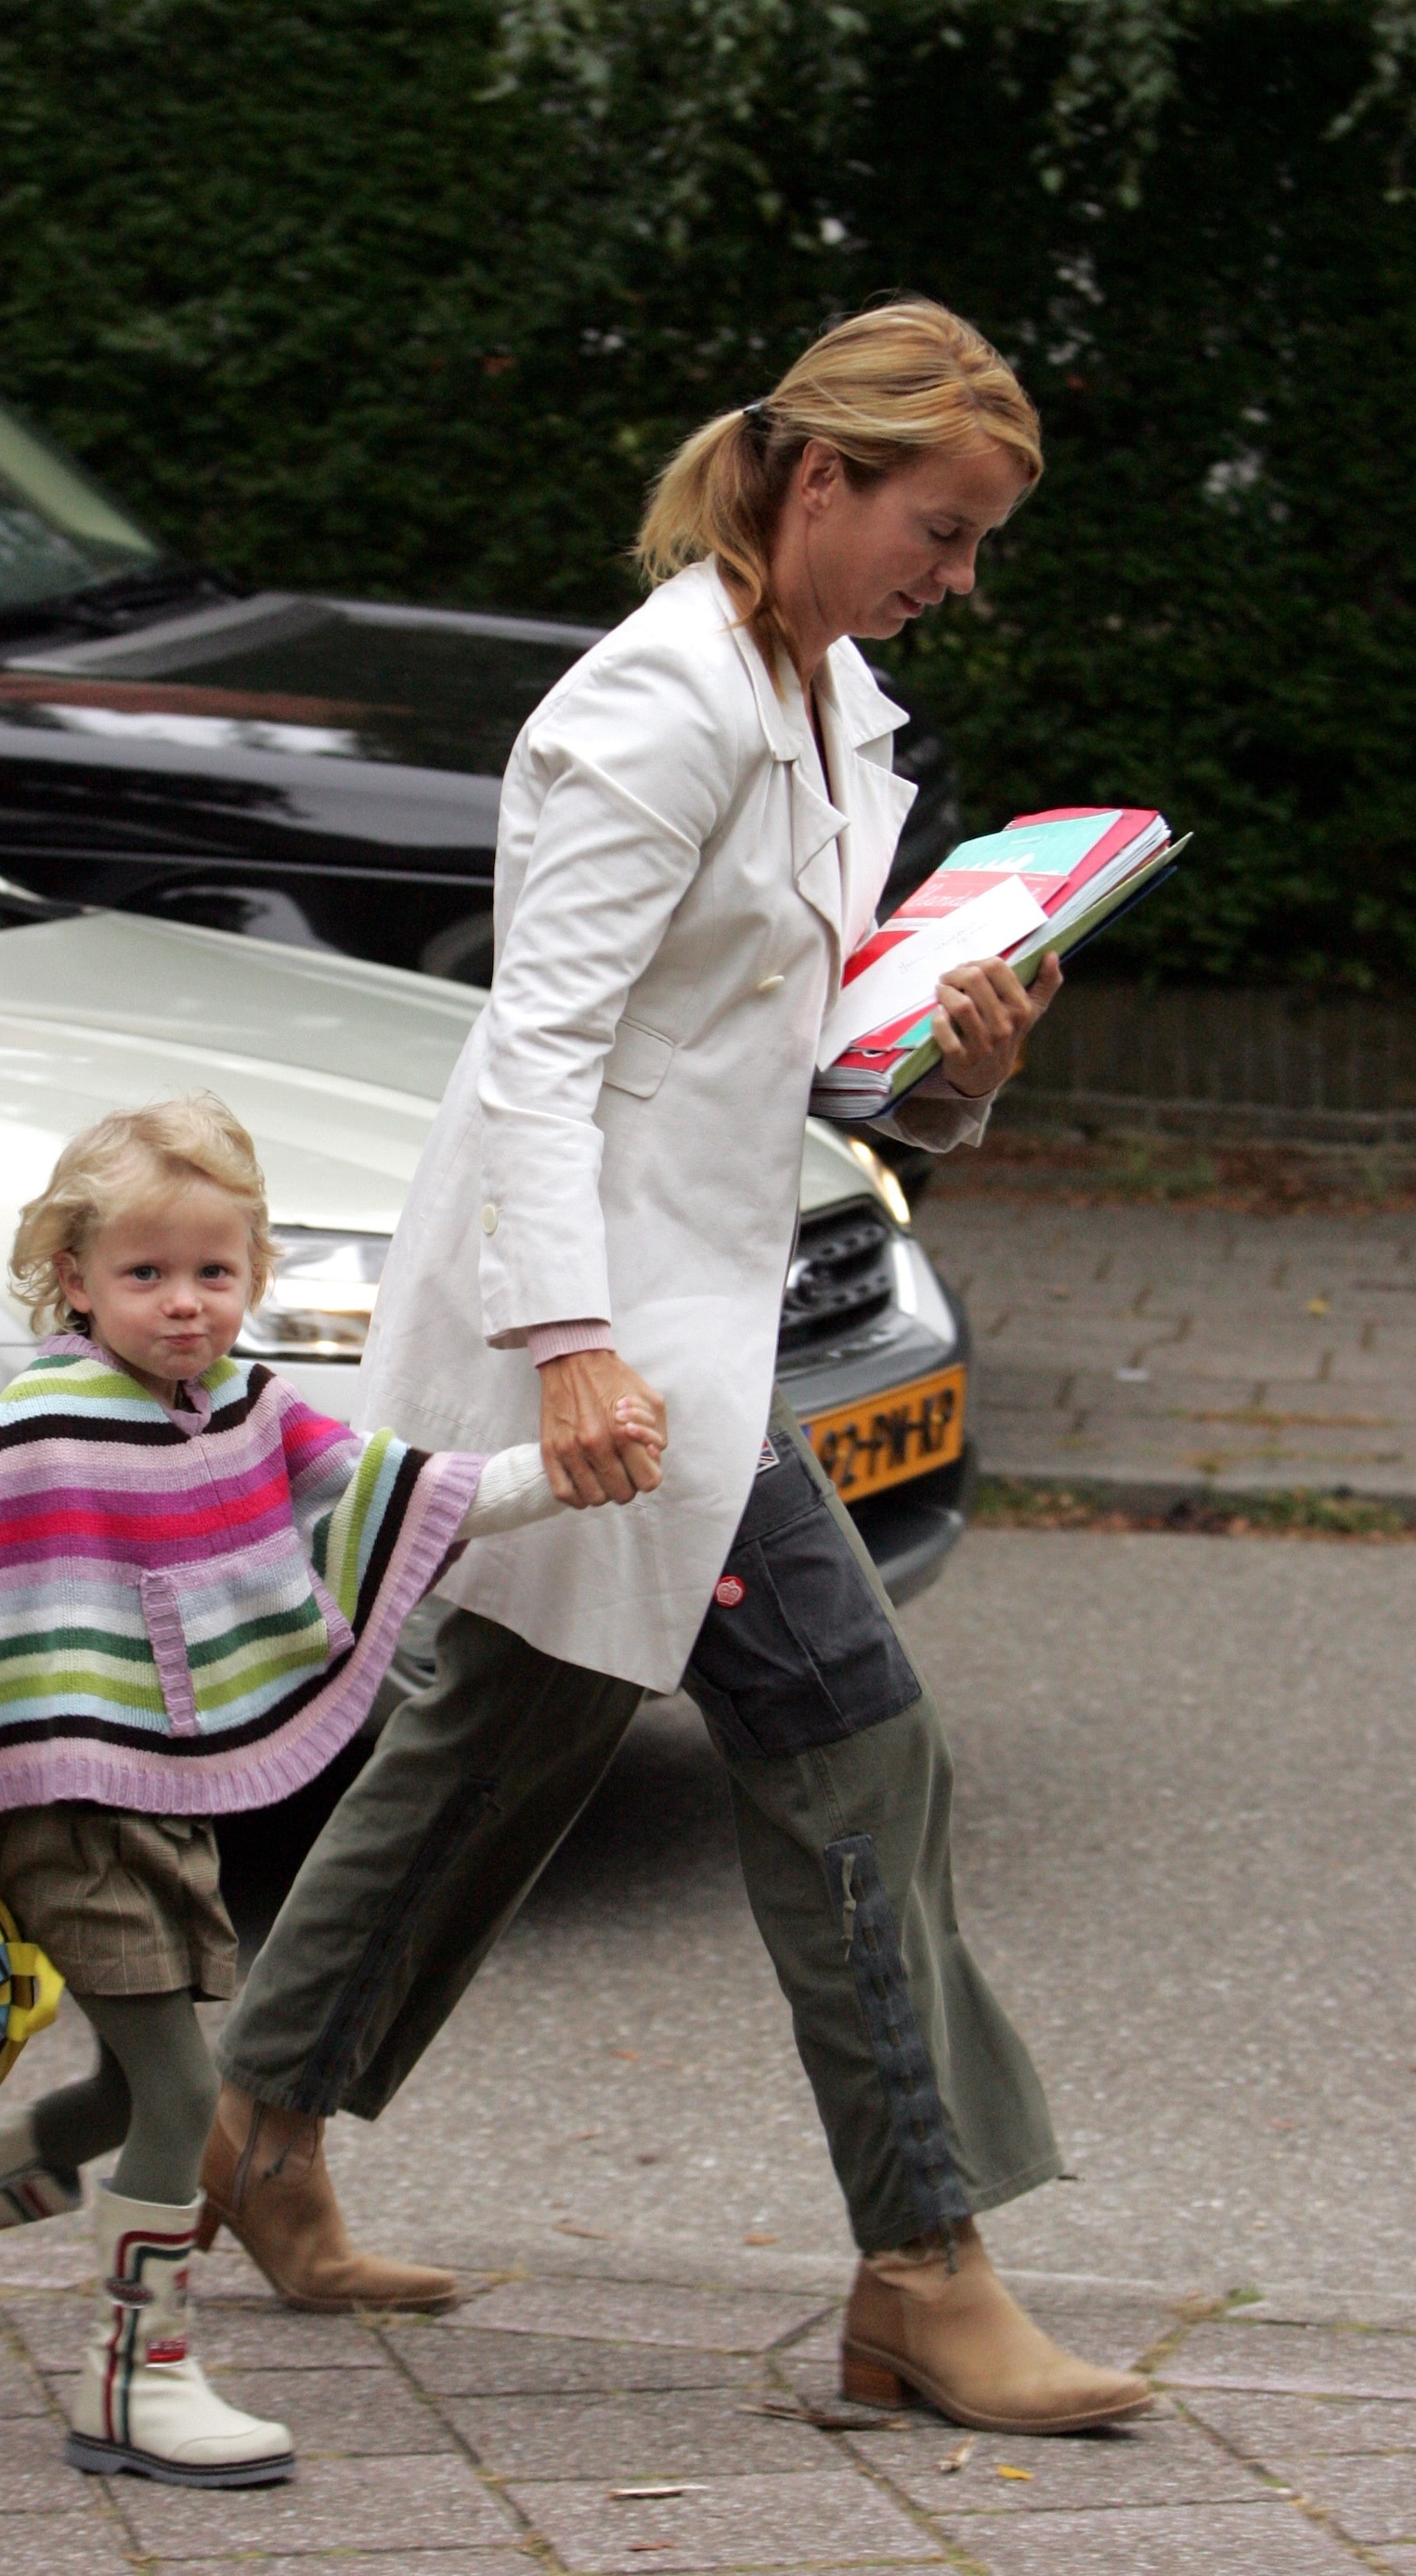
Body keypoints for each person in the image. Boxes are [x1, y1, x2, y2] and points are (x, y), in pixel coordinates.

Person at [200, 301, 1152, 2438]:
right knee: (851, 1739)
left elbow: (772, 1051)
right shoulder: (651, 710)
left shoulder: (825, 695)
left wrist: (948, 1081)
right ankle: (924, 2265)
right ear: (819, 476)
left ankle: (257, 2130)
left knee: (503, 1725)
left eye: (983, 539)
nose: (959, 575)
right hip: (617, 1330)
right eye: (941, 524)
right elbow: (537, 1047)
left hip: (698, 1309)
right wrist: (566, 1352)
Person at [0, 1095, 658, 2487]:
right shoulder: (42, 1428)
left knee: (121, 2092)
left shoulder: (238, 1409)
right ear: (73, 1279)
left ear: (253, 1272)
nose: (186, 1306)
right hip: (57, 1812)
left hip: (154, 1803)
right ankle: (133, 2376)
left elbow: (388, 1489)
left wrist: (552, 1477)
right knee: (182, 2096)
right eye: (145, 1275)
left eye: (215, 1272)